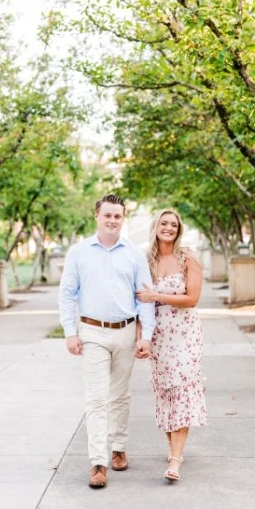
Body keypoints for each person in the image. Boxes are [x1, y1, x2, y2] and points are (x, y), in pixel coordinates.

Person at [57, 193, 155, 489]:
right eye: (108, 215)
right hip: (92, 333)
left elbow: (144, 299)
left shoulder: (135, 254)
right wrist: (69, 331)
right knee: (96, 398)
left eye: (117, 216)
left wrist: (146, 336)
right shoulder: (79, 252)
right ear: (97, 216)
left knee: (120, 396)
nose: (112, 220)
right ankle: (98, 462)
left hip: (125, 332)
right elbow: (67, 294)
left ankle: (119, 447)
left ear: (122, 219)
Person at [136, 208, 206, 482]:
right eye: (164, 223)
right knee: (164, 391)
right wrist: (141, 338)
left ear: (179, 229)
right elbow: (141, 304)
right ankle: (172, 447)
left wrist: (157, 295)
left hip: (185, 335)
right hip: (158, 335)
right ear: (155, 227)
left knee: (182, 391)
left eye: (173, 225)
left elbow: (192, 298)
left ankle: (175, 461)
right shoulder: (146, 261)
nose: (168, 228)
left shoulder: (188, 257)